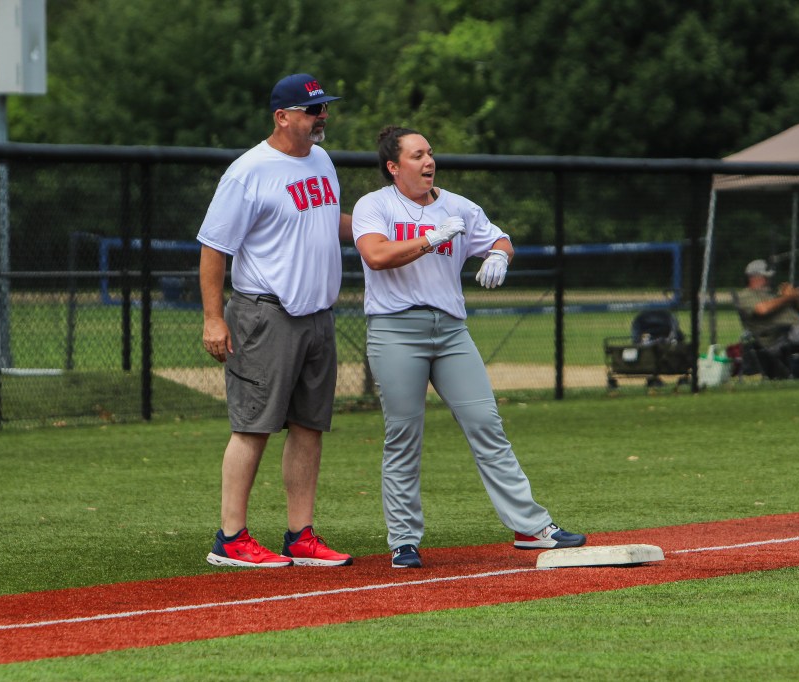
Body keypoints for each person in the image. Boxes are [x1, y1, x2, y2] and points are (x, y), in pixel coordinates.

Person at [350, 125, 586, 569]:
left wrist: (499, 254)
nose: (428, 162)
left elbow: (499, 238)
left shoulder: (457, 205)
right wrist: (431, 238)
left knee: (486, 425)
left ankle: (530, 527)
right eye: (417, 155)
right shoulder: (374, 204)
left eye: (430, 153)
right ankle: (404, 540)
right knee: (403, 435)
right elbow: (376, 255)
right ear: (393, 167)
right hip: (396, 329)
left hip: (451, 330)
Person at [196, 73, 353, 568]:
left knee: (309, 426)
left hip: (317, 316)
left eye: (323, 108)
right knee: (253, 426)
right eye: (312, 110)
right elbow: (213, 248)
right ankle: (231, 537)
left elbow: (331, 224)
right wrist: (214, 319)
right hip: (266, 313)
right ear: (282, 116)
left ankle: (300, 534)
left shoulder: (322, 160)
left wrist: (389, 229)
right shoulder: (250, 171)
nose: (321, 117)